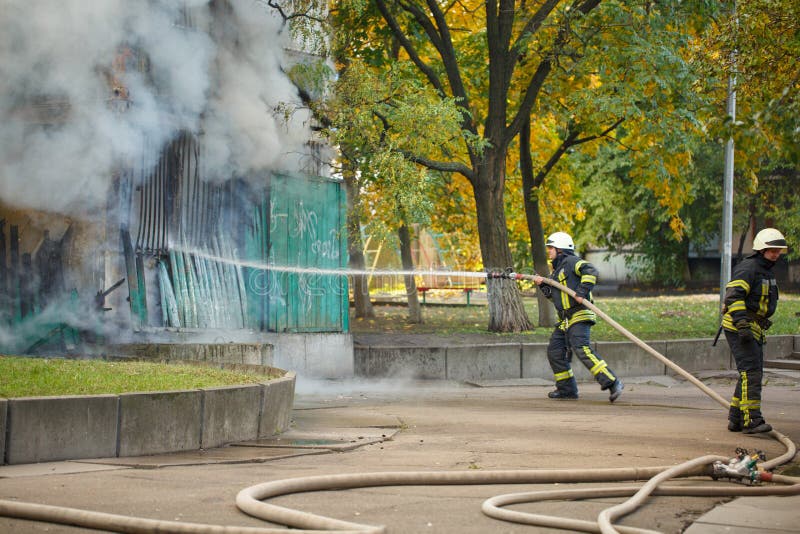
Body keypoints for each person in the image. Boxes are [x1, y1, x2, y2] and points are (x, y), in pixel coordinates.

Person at [533, 232, 624, 402]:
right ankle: (567, 389)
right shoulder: (557, 272)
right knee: (555, 351)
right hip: (565, 319)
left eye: (551, 248)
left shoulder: (571, 262)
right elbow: (554, 297)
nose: (549, 251)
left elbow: (591, 271)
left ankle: (613, 382)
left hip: (579, 314)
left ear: (560, 249)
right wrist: (543, 285)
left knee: (581, 348)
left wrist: (582, 292)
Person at [722, 228, 788, 434]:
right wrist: (742, 324)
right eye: (771, 250)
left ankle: (736, 417)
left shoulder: (766, 269)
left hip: (754, 327)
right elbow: (733, 296)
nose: (776, 254)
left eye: (778, 250)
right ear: (761, 249)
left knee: (748, 373)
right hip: (740, 326)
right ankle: (752, 421)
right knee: (751, 373)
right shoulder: (748, 268)